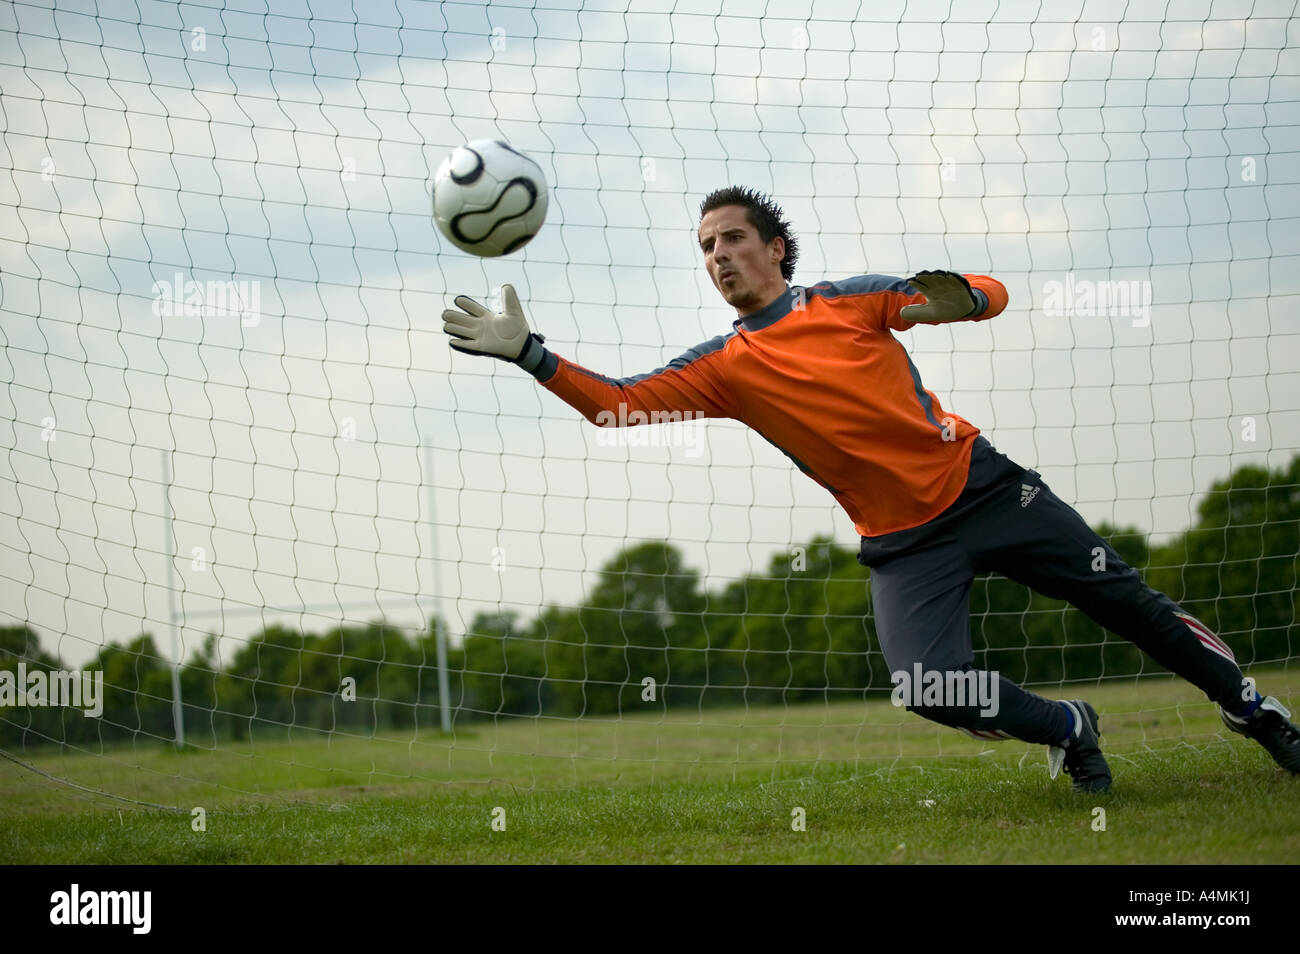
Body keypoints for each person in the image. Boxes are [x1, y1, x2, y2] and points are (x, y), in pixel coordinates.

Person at [441, 184, 1300, 792]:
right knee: (927, 686)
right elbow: (618, 410)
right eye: (705, 248)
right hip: (906, 544)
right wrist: (530, 353)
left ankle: (1250, 709)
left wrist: (954, 301)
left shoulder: (847, 302)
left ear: (773, 247)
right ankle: (1068, 728)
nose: (718, 256)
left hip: (990, 490)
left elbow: (987, 294)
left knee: (1138, 609)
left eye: (731, 238)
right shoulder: (722, 370)